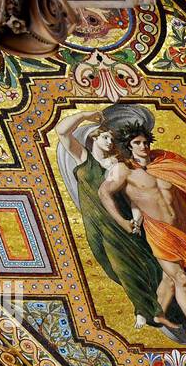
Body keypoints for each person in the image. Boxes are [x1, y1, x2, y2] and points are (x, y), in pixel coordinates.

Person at [99, 116, 186, 343]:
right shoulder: (124, 170)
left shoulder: (163, 168)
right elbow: (104, 193)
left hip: (180, 231)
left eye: (145, 142)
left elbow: (184, 207)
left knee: (168, 279)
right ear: (129, 146)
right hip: (158, 232)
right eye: (137, 143)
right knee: (180, 279)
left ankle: (155, 315)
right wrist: (121, 221)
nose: (143, 146)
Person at [54, 110, 172, 337]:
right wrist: (87, 115)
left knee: (130, 264)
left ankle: (143, 308)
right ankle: (145, 303)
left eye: (111, 138)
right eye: (105, 137)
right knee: (110, 266)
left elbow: (133, 198)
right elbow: (61, 131)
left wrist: (135, 220)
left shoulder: (120, 166)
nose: (109, 141)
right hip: (96, 225)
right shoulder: (83, 158)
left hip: (122, 224)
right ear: (93, 138)